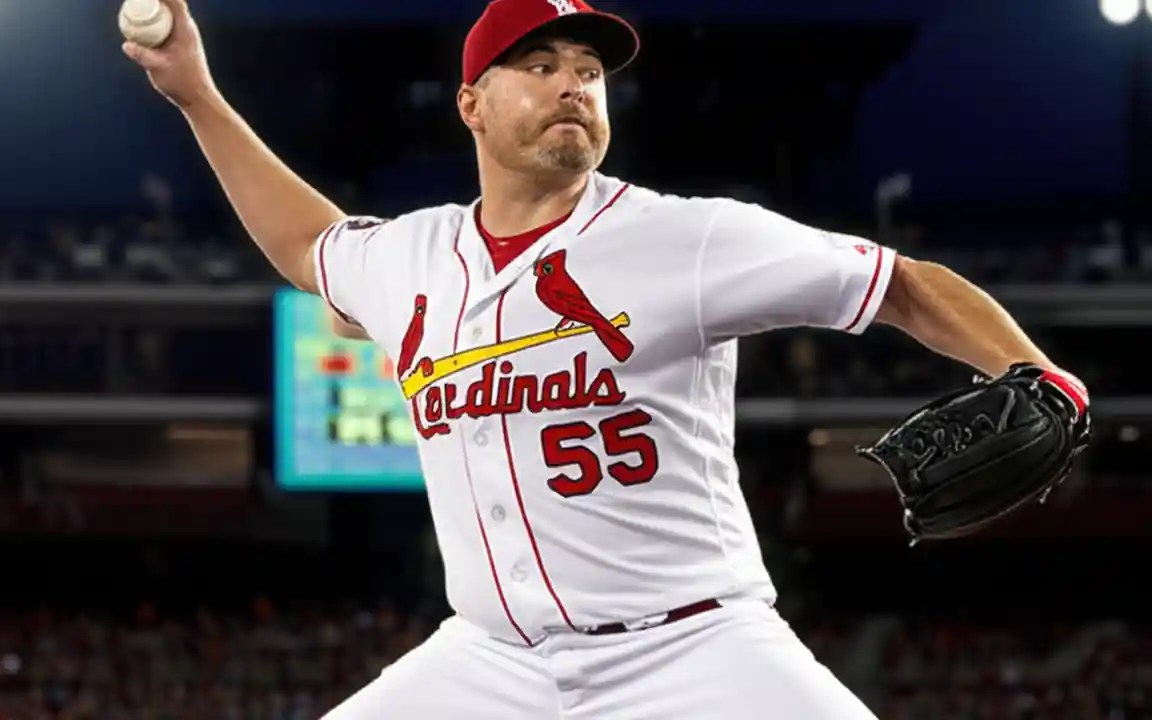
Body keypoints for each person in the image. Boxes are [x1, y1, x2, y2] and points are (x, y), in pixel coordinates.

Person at [122, 1, 1089, 717]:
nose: (573, 83)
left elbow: (904, 284)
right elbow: (305, 245)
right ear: (471, 103)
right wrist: (199, 96)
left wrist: (1043, 373)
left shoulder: (690, 238)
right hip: (489, 663)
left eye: (587, 68)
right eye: (538, 63)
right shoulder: (408, 259)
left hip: (697, 649)